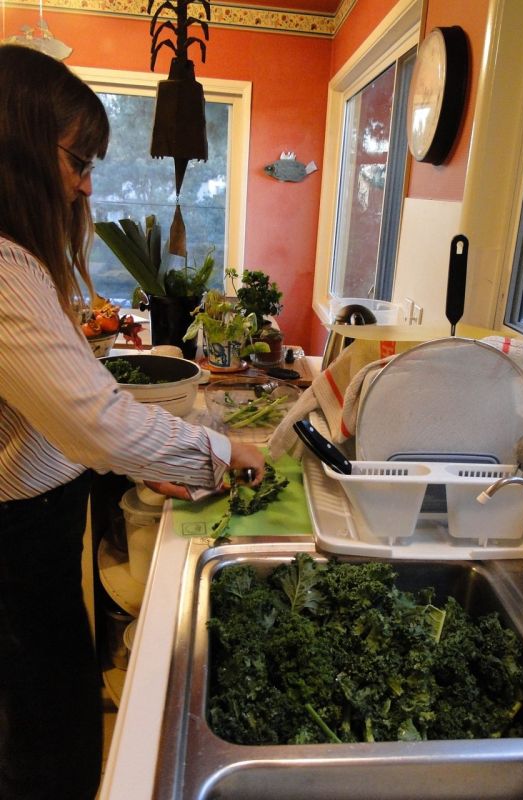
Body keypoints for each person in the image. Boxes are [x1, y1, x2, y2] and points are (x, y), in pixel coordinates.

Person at [0, 44, 265, 799]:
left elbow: (73, 415)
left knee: (51, 703)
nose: (86, 186)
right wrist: (221, 452)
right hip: (16, 539)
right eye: (78, 161)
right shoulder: (4, 269)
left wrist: (148, 460)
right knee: (48, 732)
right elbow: (98, 421)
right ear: (18, 146)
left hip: (38, 518)